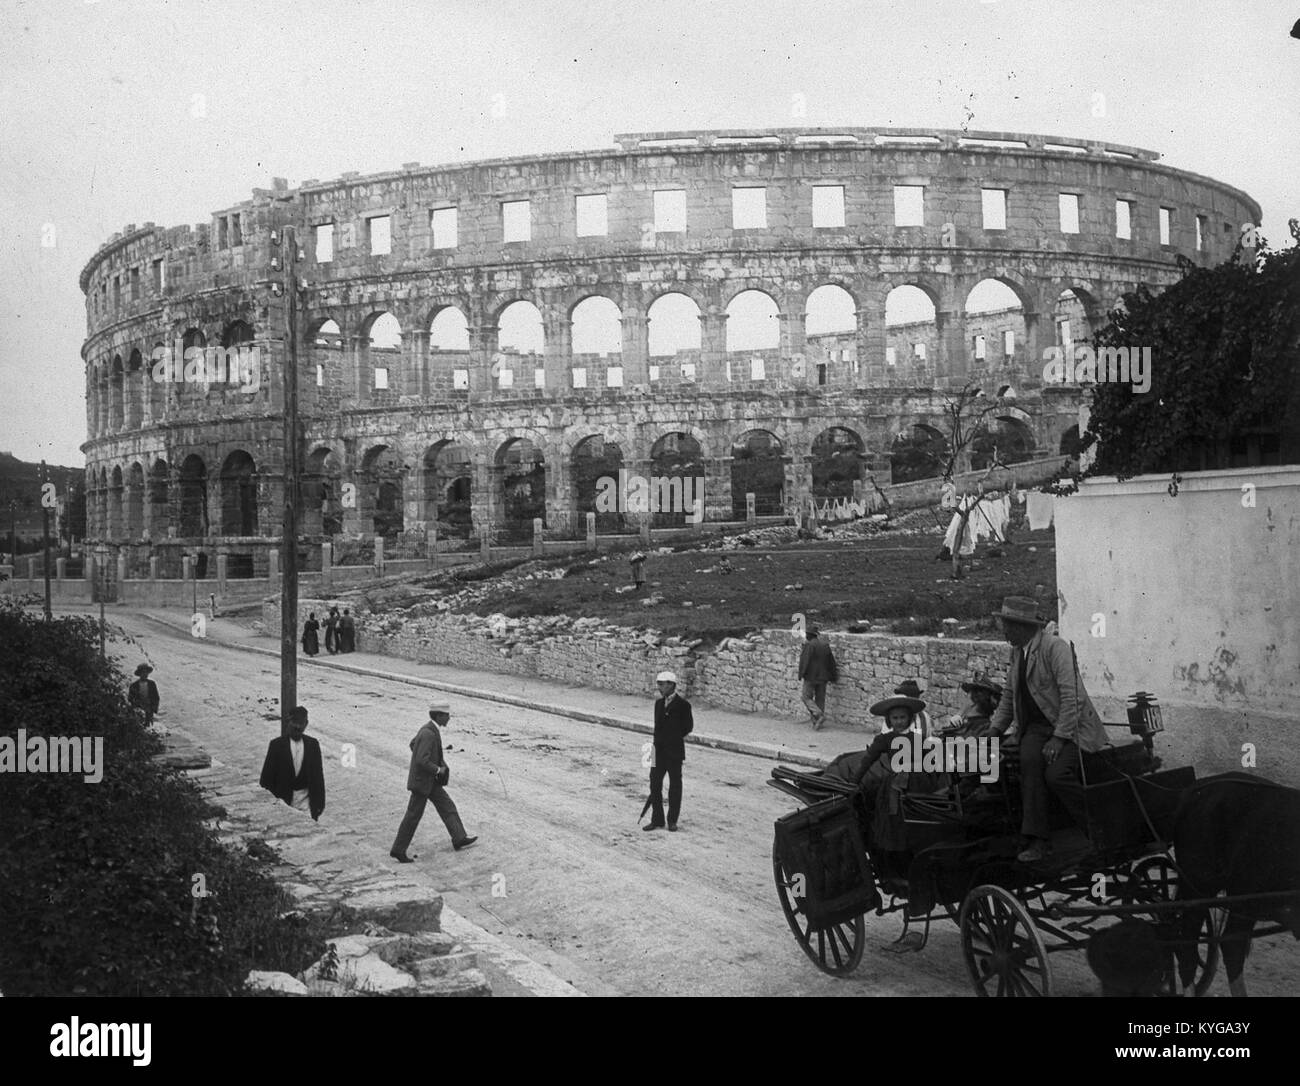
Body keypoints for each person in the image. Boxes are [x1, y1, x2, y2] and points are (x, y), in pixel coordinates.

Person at [986, 596, 1108, 862]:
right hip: (1037, 730)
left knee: (1056, 775)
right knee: (1025, 764)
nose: (1003, 631)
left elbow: (1071, 697)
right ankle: (1037, 839)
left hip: (1073, 728)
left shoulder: (1055, 648)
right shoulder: (1017, 651)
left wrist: (1059, 738)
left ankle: (1098, 828)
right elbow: (1009, 695)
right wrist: (994, 730)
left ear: (1021, 626)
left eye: (1006, 625)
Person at [851, 694, 933, 892]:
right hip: (895, 787)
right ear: (889, 721)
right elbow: (868, 760)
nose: (898, 721)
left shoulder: (918, 739)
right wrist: (853, 782)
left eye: (902, 717)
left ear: (910, 719)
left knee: (912, 824)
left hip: (916, 785)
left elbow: (931, 760)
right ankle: (897, 871)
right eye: (894, 718)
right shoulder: (884, 739)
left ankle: (915, 867)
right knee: (893, 825)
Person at [390, 701, 477, 861]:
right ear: (439, 716)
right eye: (447, 715)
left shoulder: (429, 729)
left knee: (447, 806)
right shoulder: (429, 733)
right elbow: (421, 760)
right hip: (422, 783)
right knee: (413, 816)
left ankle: (459, 837)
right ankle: (398, 849)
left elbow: (413, 744)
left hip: (429, 782)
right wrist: (438, 769)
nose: (449, 718)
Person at [643, 670, 694, 832]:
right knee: (655, 785)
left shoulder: (683, 705)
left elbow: (688, 727)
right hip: (657, 751)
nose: (659, 688)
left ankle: (672, 820)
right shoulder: (658, 704)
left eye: (662, 684)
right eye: (658, 684)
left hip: (674, 752)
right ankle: (657, 819)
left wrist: (673, 738)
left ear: (671, 685)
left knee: (675, 787)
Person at [258, 706, 326, 821]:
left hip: (306, 806)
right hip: (283, 806)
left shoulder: (313, 745)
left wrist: (319, 806)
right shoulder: (277, 745)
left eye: (301, 723)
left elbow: (318, 778)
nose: (298, 727)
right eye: (294, 722)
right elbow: (266, 780)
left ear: (306, 724)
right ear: (289, 722)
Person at [797, 626, 838, 730]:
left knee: (806, 697)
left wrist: (801, 674)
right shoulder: (825, 645)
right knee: (820, 699)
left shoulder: (809, 645)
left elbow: (804, 661)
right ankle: (817, 722)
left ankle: (819, 715)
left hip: (811, 676)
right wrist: (833, 676)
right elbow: (831, 662)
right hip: (823, 677)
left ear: (809, 635)